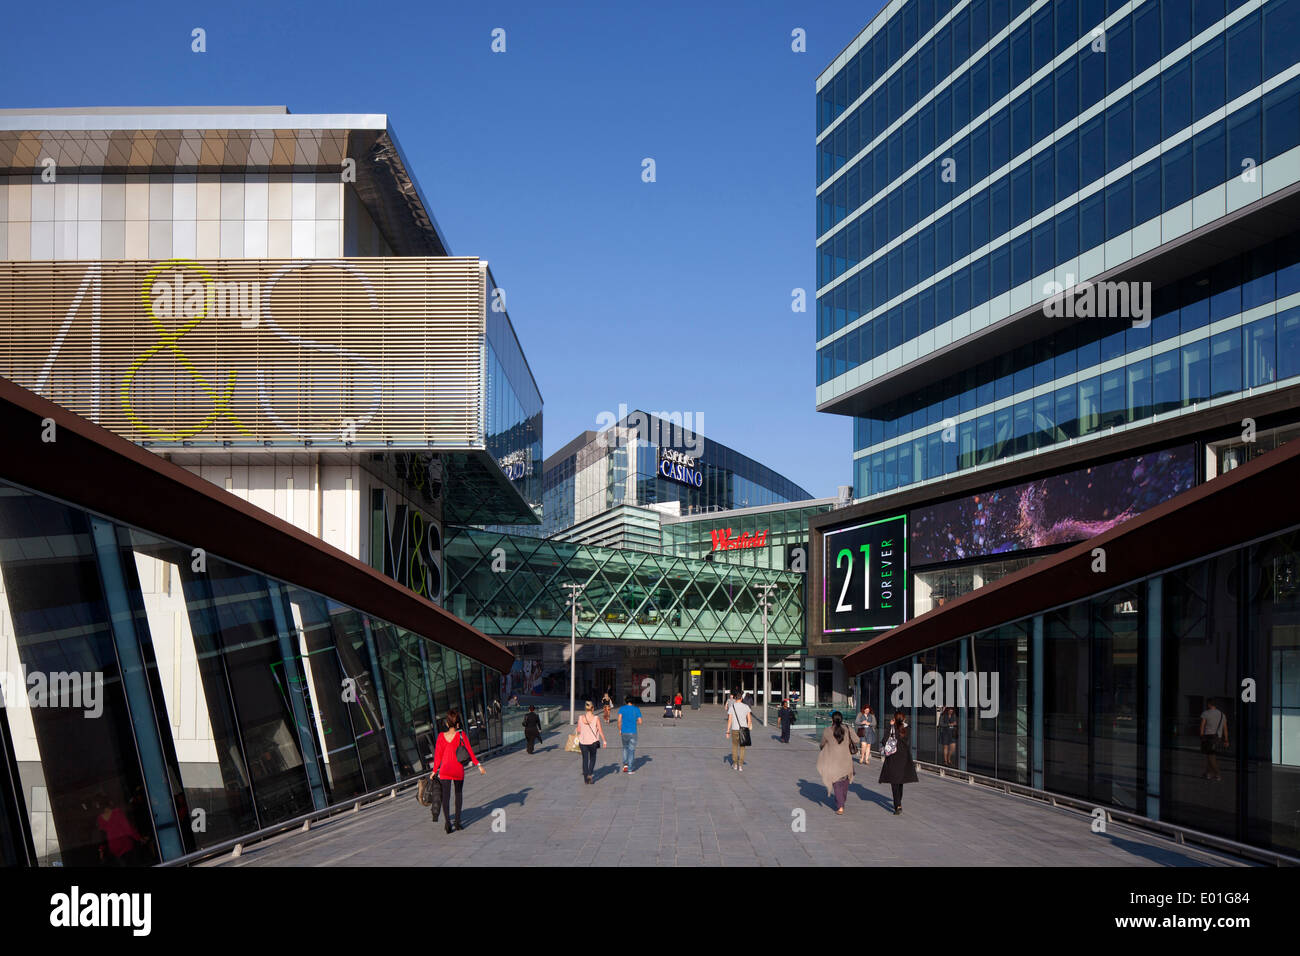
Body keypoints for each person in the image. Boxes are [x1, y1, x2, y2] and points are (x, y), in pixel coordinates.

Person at [430, 709, 485, 833]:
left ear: (447, 723)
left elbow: (437, 756)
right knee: (458, 794)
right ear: (457, 723)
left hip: (444, 770)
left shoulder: (440, 737)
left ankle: (448, 824)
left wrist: (434, 771)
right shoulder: (461, 735)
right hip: (457, 769)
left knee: (446, 797)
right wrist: (479, 765)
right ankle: (458, 823)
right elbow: (470, 751)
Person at [817, 711, 858, 814]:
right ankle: (841, 802)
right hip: (846, 760)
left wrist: (824, 748)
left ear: (832, 720)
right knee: (845, 782)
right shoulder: (848, 729)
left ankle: (840, 805)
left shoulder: (827, 730)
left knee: (836, 782)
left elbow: (822, 744)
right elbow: (856, 740)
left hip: (833, 760)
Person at [879, 711, 917, 815]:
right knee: (900, 782)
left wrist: (890, 726)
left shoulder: (893, 728)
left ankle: (898, 805)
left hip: (893, 757)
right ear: (903, 719)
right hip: (904, 757)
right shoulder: (907, 729)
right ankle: (898, 803)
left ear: (895, 719)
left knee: (894, 782)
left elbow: (884, 741)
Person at [576, 701, 607, 783]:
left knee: (585, 759)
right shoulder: (596, 718)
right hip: (593, 742)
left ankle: (586, 779)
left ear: (585, 709)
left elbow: (578, 730)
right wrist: (604, 740)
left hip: (582, 742)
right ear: (592, 708)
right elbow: (600, 730)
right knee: (592, 758)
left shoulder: (580, 717)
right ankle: (590, 774)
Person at [1199, 699, 1229, 781]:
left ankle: (1217, 774)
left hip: (1208, 737)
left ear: (1209, 704)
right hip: (1217, 738)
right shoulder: (1222, 715)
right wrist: (1226, 740)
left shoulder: (1205, 713)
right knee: (1211, 756)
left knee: (1210, 756)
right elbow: (1225, 728)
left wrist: (1201, 736)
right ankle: (1207, 773)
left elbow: (1202, 726)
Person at [724, 688, 753, 772]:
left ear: (735, 698)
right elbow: (749, 719)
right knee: (742, 747)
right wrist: (748, 727)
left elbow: (729, 720)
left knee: (734, 746)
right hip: (744, 729)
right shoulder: (746, 707)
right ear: (741, 698)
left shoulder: (732, 707)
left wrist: (727, 731)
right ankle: (740, 765)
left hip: (734, 729)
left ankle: (735, 764)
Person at [617, 694, 643, 773]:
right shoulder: (636, 709)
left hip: (624, 731)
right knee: (631, 750)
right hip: (633, 732)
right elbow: (640, 722)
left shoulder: (622, 708)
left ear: (626, 701)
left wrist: (620, 729)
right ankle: (630, 769)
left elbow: (619, 721)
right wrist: (635, 721)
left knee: (625, 748)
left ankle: (625, 765)